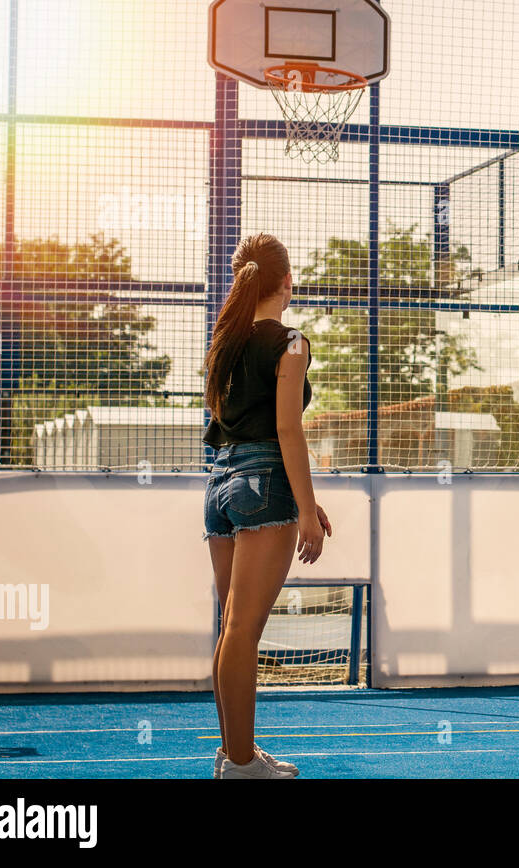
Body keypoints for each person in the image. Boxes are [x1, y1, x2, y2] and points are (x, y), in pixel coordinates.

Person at [201, 232, 331, 779]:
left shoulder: (225, 341)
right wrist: (305, 508)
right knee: (243, 631)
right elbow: (285, 428)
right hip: (262, 485)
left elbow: (236, 427)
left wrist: (308, 502)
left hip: (219, 487)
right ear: (286, 281)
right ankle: (239, 763)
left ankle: (238, 755)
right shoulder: (292, 341)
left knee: (232, 627)